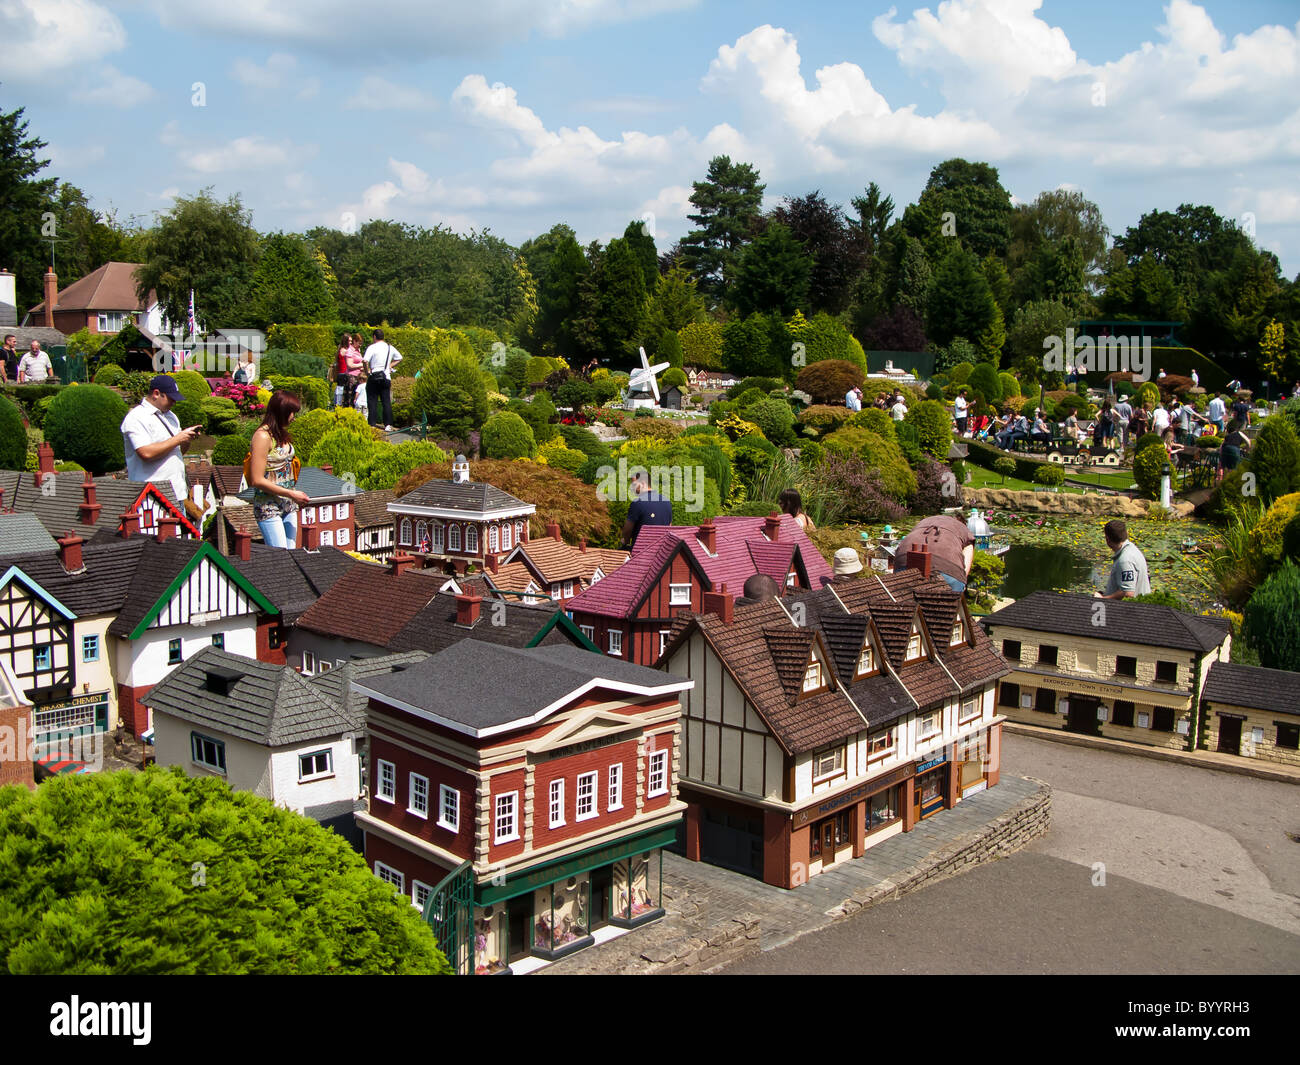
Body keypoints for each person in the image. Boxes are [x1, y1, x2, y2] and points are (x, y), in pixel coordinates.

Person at [120, 375, 200, 501]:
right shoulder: (136, 417)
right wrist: (178, 439)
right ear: (156, 394)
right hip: (152, 495)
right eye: (171, 398)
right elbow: (145, 453)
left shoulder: (171, 416)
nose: (174, 402)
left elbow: (177, 451)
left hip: (177, 492)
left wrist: (186, 439)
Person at [248, 391, 310, 549]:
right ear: (282, 412)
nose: (293, 417)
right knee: (281, 556)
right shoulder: (262, 436)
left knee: (291, 553)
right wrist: (291, 493)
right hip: (269, 506)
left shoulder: (280, 434)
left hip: (288, 504)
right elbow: (257, 479)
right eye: (292, 413)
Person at [1099, 520, 1151, 599]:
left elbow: (1128, 593)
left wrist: (1102, 599)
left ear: (1107, 539)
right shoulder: (1132, 550)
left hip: (1133, 610)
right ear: (1126, 533)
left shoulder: (1125, 560)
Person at [364, 328, 402, 430]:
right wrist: (390, 365)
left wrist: (367, 371)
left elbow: (365, 360)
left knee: (372, 401)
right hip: (386, 377)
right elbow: (399, 358)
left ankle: (372, 423)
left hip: (374, 376)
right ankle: (388, 424)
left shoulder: (372, 347)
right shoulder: (390, 347)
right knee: (386, 401)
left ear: (374, 337)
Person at [621, 472, 672, 548]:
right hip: (662, 553)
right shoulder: (667, 502)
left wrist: (625, 540)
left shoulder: (637, 503)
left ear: (643, 483)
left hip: (641, 553)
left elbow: (628, 530)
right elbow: (669, 527)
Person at [336, 333, 362, 411]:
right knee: (345, 395)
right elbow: (349, 364)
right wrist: (361, 365)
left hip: (351, 374)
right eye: (349, 341)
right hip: (346, 374)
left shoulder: (353, 350)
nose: (350, 342)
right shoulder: (346, 350)